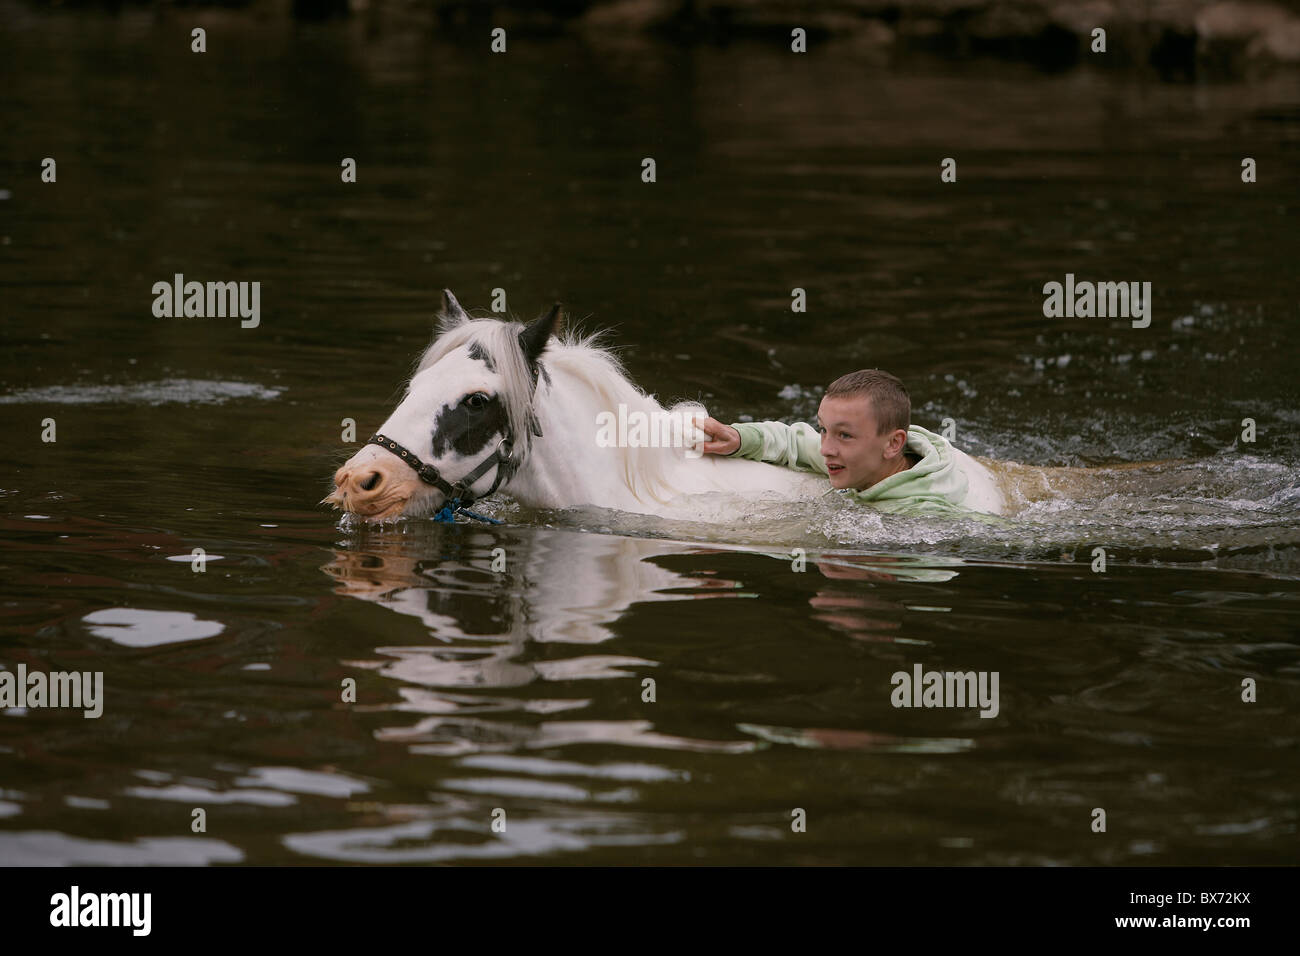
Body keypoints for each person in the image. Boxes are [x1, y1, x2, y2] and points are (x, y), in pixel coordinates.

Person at [693, 369, 1005, 517]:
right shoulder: (858, 458)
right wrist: (739, 438)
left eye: (844, 435)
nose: (826, 448)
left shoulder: (925, 513)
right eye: (823, 429)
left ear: (894, 444)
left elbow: (1003, 538)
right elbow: (791, 441)